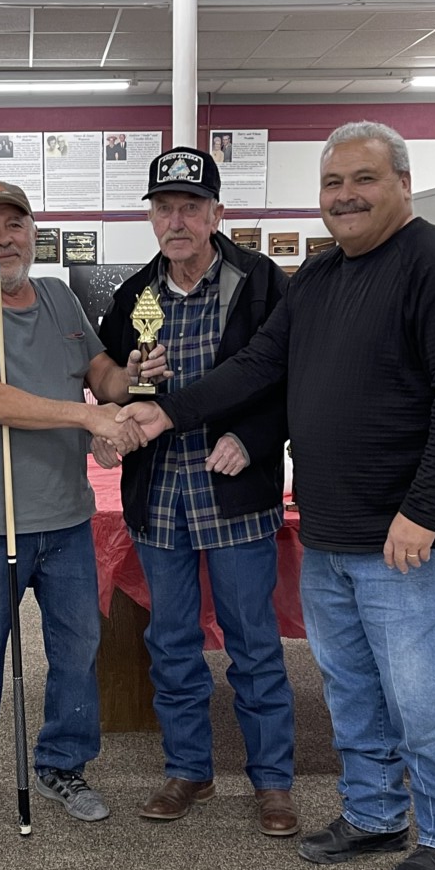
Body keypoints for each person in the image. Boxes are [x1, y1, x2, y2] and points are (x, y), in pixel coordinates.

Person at [120, 121, 435, 870]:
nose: (345, 197)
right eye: (332, 185)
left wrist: (423, 512)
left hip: (408, 535)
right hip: (327, 529)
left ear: (400, 181)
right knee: (351, 690)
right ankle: (373, 814)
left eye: (362, 180)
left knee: (422, 696)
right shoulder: (320, 278)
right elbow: (260, 365)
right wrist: (169, 413)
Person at [0, 180, 167, 829]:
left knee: (78, 647)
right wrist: (90, 420)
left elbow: (103, 376)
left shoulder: (60, 296)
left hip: (65, 519)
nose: (4, 237)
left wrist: (135, 375)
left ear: (33, 231)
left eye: (16, 223)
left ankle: (64, 763)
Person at [97, 146, 297, 835]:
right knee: (172, 642)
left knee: (253, 643)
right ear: (151, 217)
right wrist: (129, 376)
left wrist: (257, 438)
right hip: (160, 499)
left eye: (190, 207)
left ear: (217, 213)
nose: (176, 220)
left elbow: (292, 380)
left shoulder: (263, 283)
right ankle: (188, 771)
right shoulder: (135, 296)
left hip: (234, 494)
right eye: (164, 208)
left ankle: (272, 782)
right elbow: (116, 389)